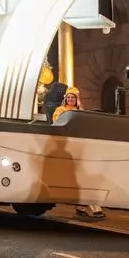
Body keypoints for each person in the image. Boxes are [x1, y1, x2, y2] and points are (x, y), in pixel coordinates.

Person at [51, 87, 105, 219]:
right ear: (65, 98)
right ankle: (95, 207)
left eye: (73, 97)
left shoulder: (80, 111)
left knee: (83, 178)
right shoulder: (59, 111)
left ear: (76, 100)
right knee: (83, 178)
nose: (70, 99)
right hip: (68, 148)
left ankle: (81, 206)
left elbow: (86, 126)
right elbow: (58, 126)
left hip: (81, 148)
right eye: (68, 97)